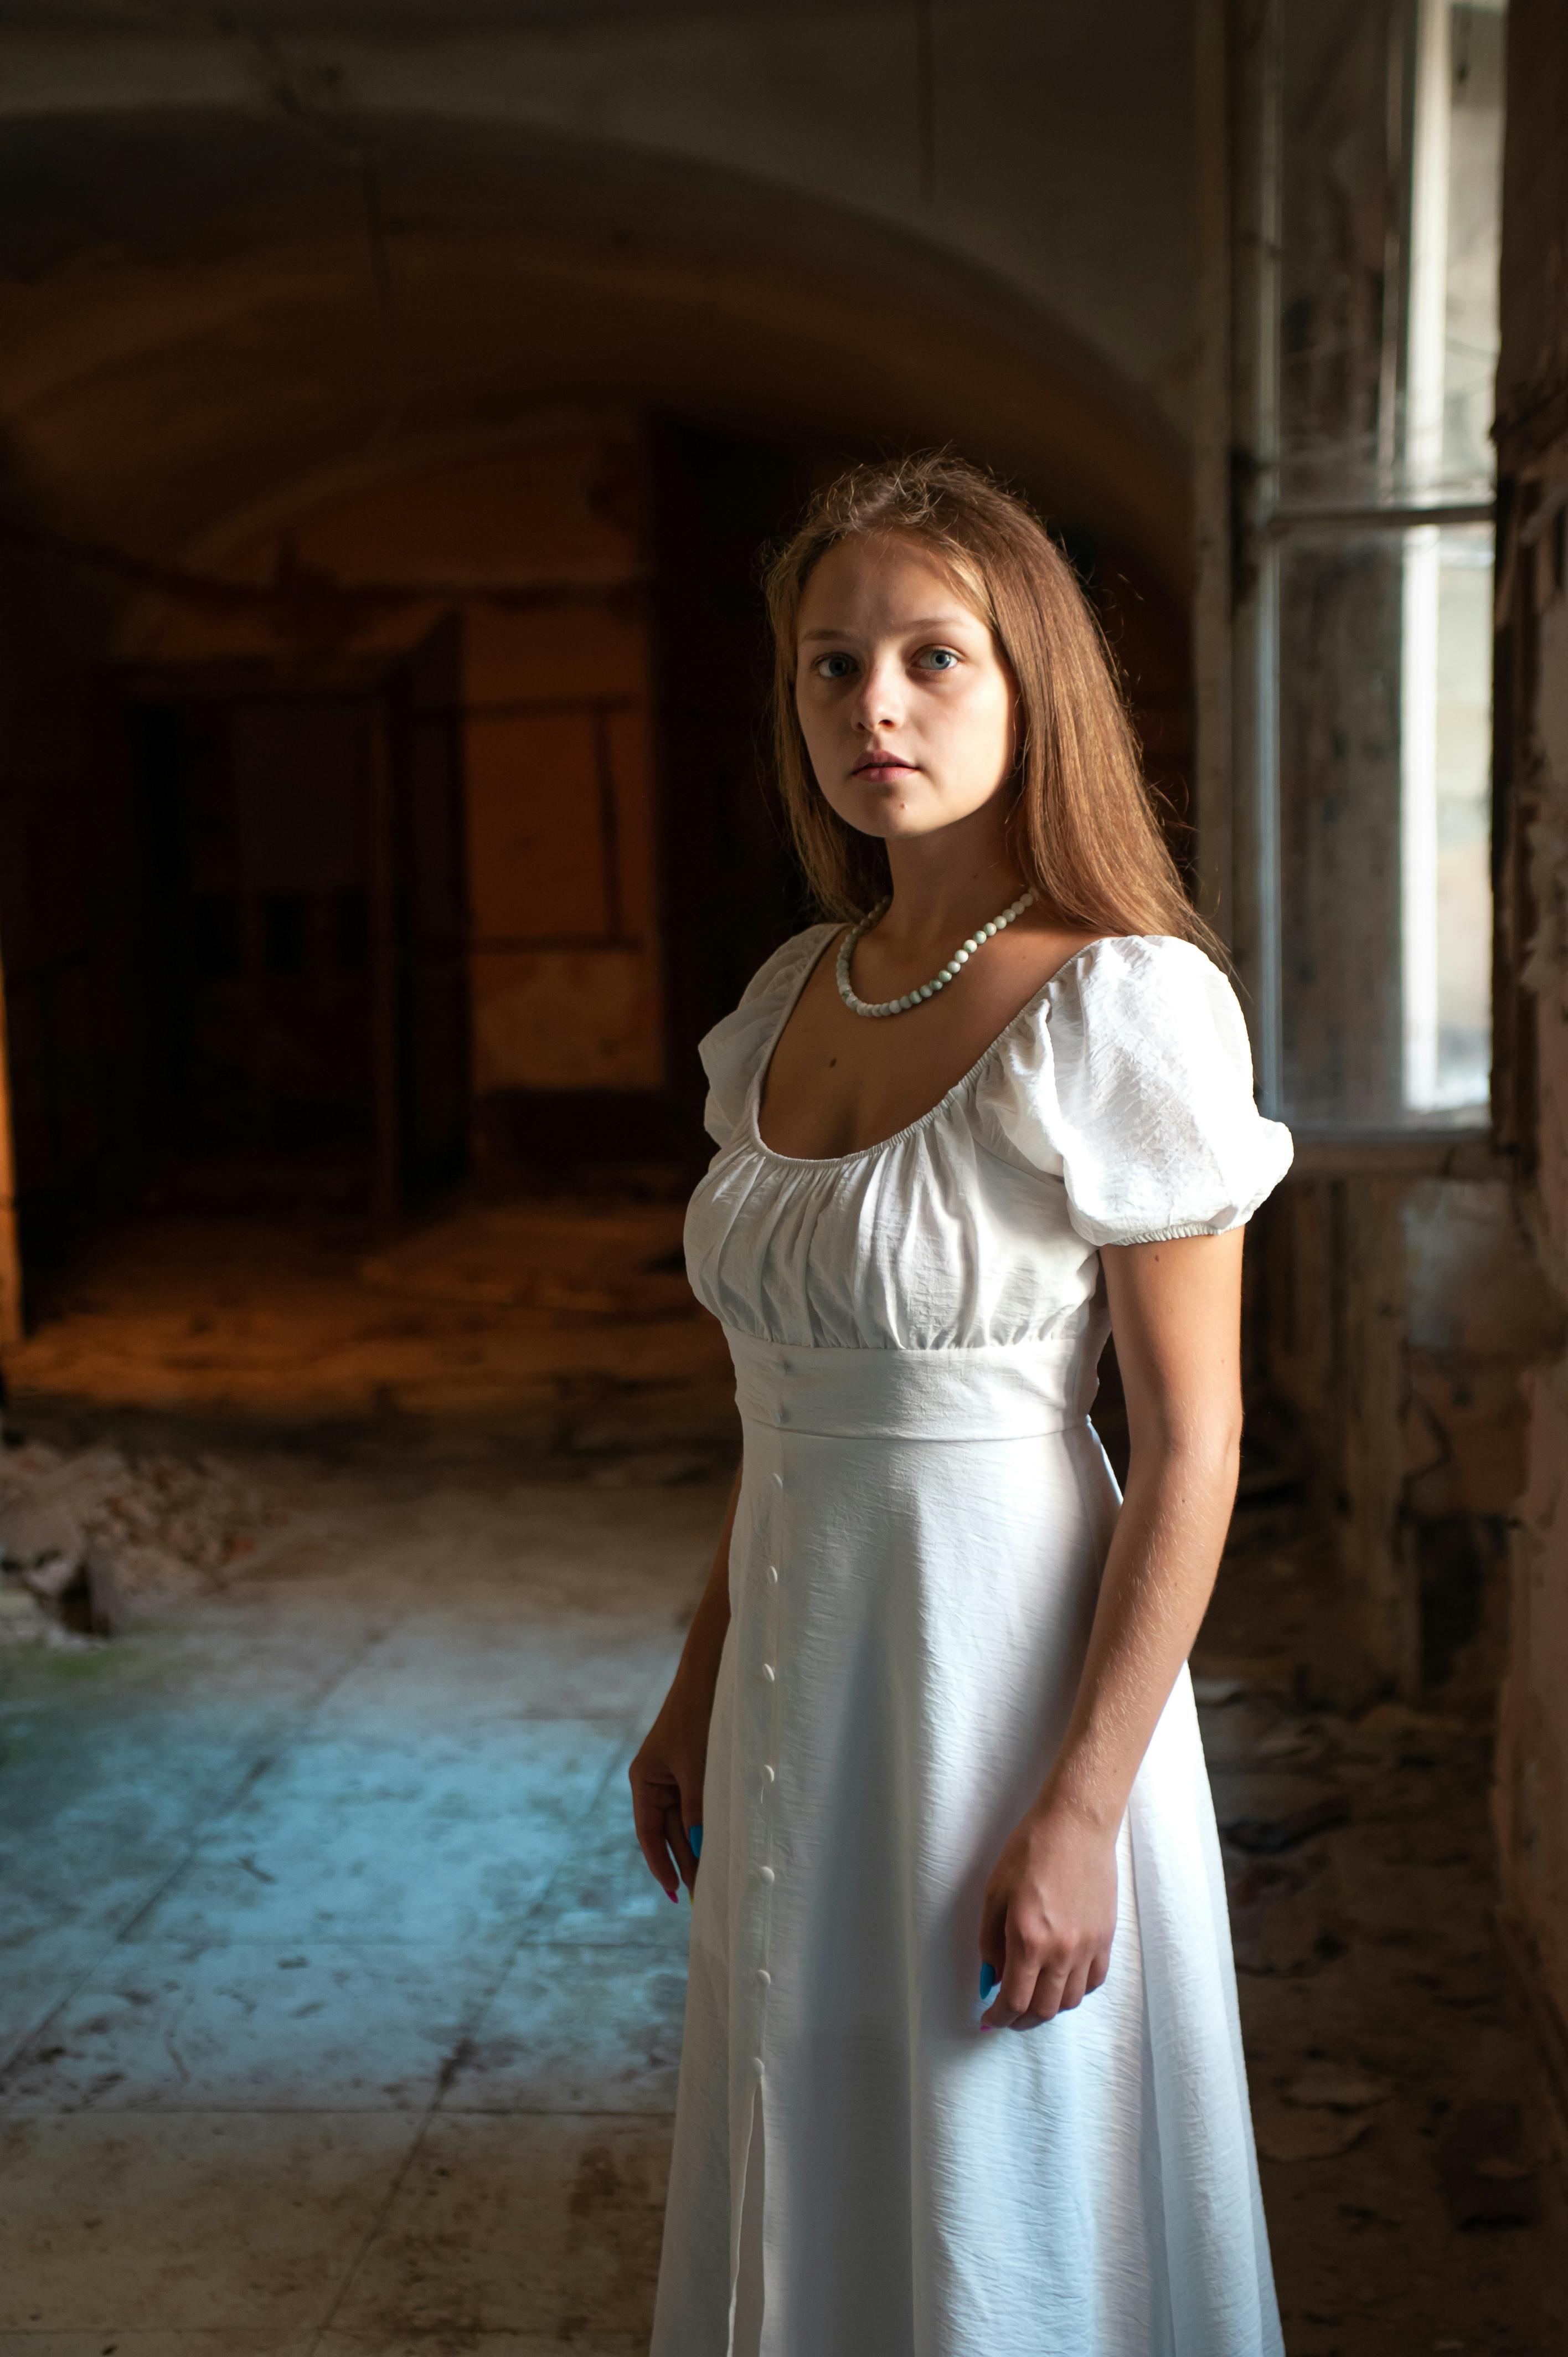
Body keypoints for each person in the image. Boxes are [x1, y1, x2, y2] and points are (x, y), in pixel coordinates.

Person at [630, 452, 1292, 2356]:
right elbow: (787, 1415)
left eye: (935, 657)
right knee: (807, 2108)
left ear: (1032, 689)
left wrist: (1081, 1811)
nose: (878, 709)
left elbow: (1195, 1447)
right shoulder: (783, 1000)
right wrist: (694, 1682)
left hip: (998, 1675)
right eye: (832, 669)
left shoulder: (1126, 1007)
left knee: (990, 2138)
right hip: (790, 1686)